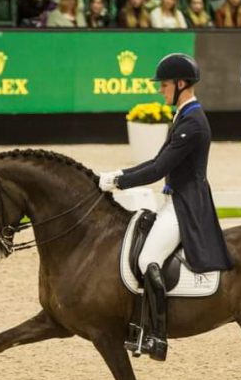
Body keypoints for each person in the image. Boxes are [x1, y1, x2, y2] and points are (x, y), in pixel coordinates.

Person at [98, 54, 233, 361]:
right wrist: (119, 174)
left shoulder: (193, 123)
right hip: (174, 199)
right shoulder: (184, 116)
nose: (161, 90)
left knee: (148, 260)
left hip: (186, 205)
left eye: (165, 85)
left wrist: (118, 181)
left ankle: (155, 336)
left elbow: (159, 168)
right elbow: (156, 161)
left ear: (181, 84)